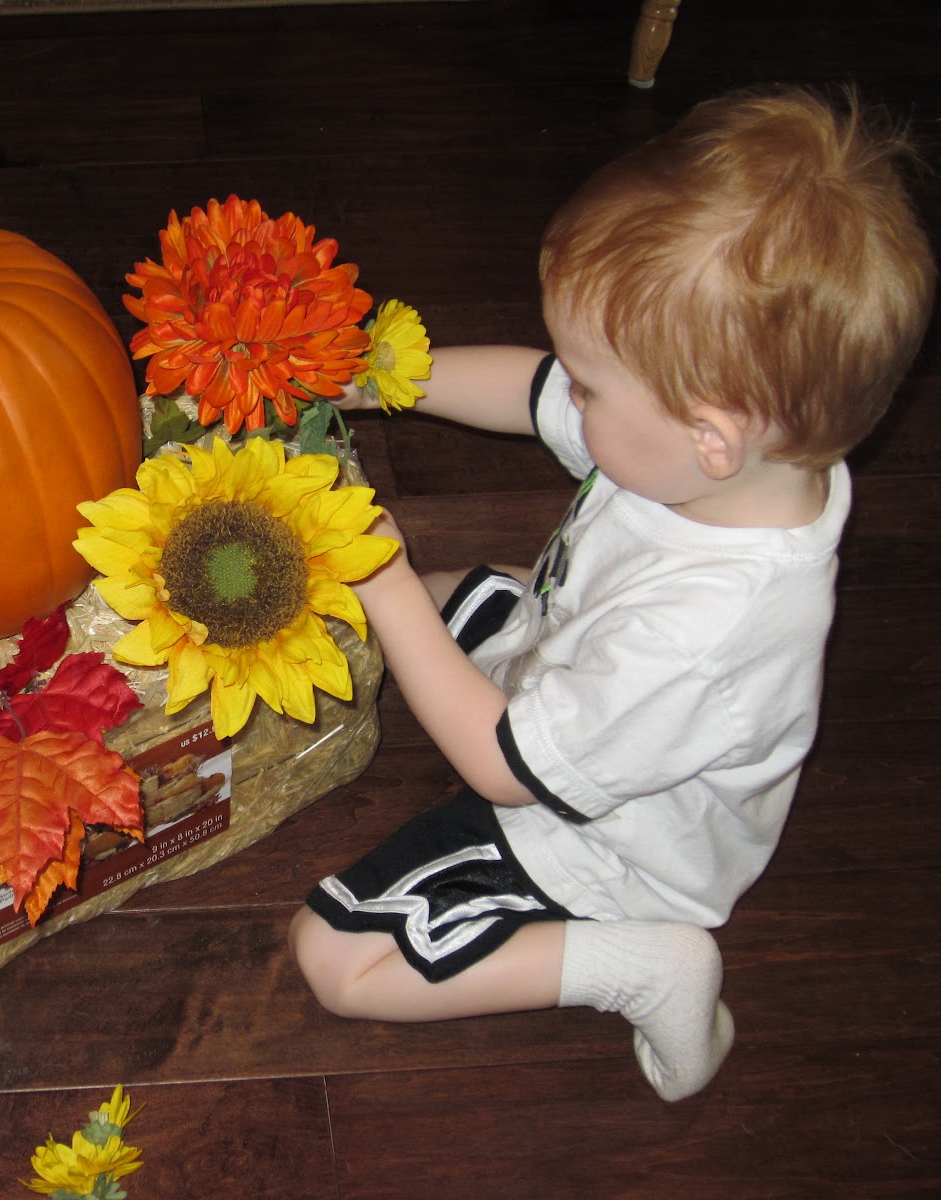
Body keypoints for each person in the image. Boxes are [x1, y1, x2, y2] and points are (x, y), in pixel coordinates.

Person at [288, 85, 935, 1102]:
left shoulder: (705, 629)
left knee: (335, 958)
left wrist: (385, 582)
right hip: (577, 658)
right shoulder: (734, 452)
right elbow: (527, 387)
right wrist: (362, 379)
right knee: (447, 600)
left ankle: (644, 965)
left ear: (709, 434)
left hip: (606, 842)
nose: (570, 396)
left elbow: (502, 769)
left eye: (591, 386)